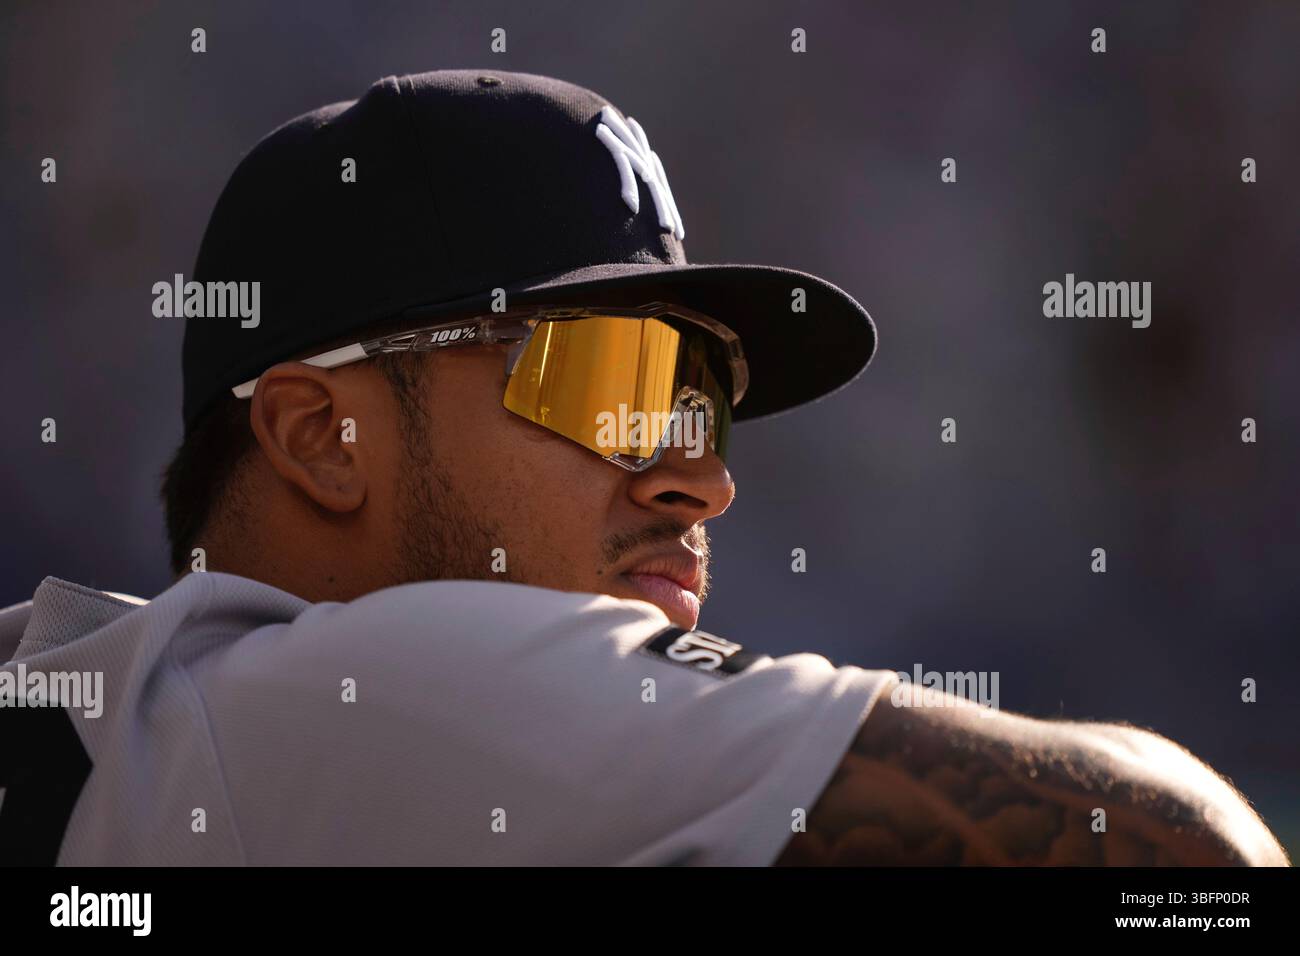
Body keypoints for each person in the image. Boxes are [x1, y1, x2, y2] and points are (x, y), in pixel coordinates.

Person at [0, 70, 1286, 866]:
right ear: (321, 436)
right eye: (609, 383)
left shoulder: (146, 734)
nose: (700, 481)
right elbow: (1174, 845)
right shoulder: (359, 694)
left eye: (698, 402)